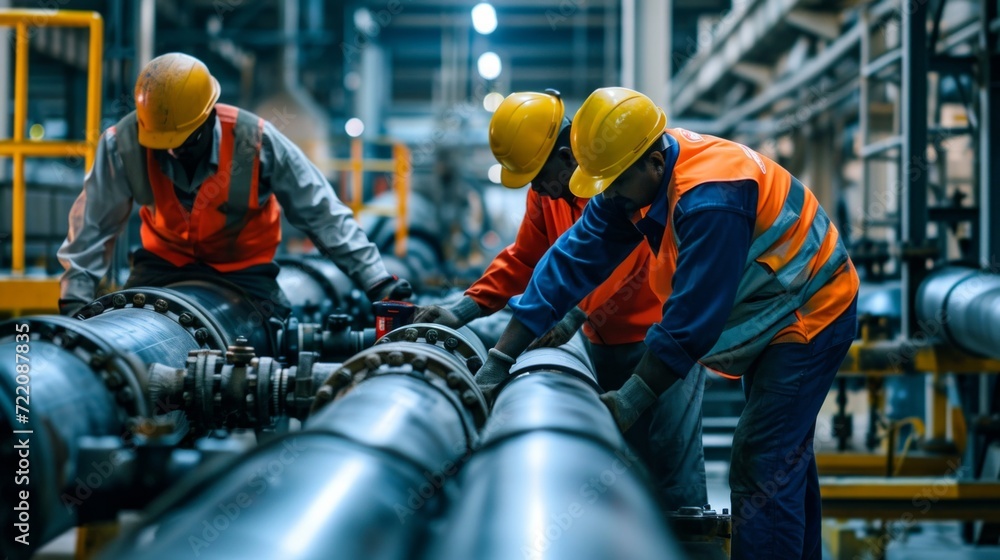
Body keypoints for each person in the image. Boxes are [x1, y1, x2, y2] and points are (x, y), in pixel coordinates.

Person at [475, 87, 859, 560]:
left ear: (655, 163)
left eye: (613, 183)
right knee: (784, 459)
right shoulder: (630, 175)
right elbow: (570, 262)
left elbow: (690, 323)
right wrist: (500, 357)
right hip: (769, 309)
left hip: (809, 311)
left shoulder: (711, 200)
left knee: (763, 460)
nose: (608, 195)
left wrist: (629, 400)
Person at [413, 90, 707, 512]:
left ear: (568, 156)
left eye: (539, 175)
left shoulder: (617, 180)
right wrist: (464, 308)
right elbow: (526, 258)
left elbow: (638, 259)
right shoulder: (547, 193)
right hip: (603, 343)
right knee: (617, 459)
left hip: (662, 340)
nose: (536, 188)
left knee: (669, 465)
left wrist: (574, 312)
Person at [57, 53, 410, 318]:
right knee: (123, 335)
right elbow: (94, 224)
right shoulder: (123, 144)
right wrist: (75, 299)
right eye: (161, 141)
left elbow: (322, 214)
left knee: (272, 340)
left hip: (244, 272)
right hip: (162, 266)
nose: (171, 150)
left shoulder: (256, 141)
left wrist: (377, 281)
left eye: (182, 139)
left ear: (209, 115)